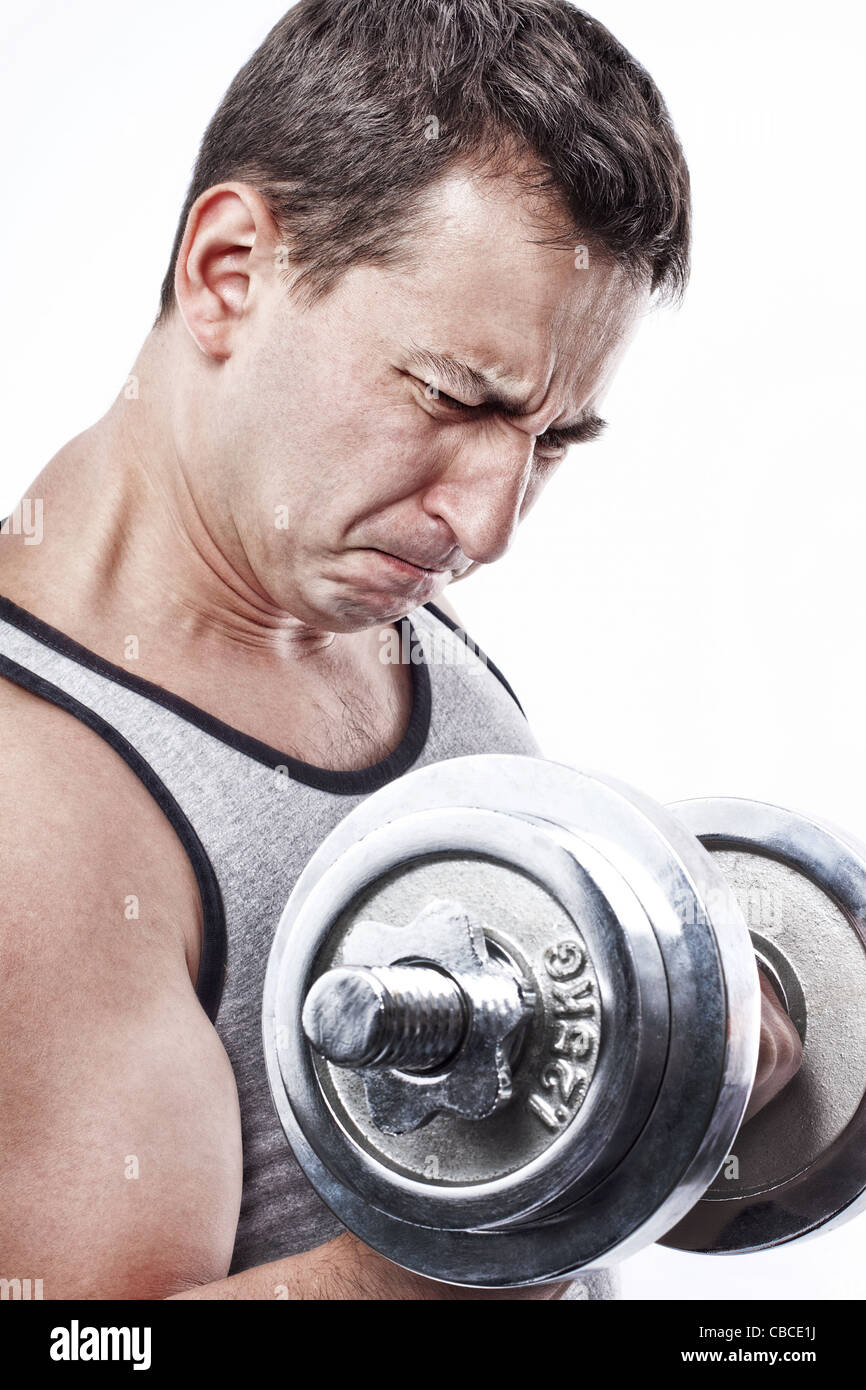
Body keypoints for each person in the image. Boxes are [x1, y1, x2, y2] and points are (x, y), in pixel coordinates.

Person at [0, 0, 801, 1300]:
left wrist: (684, 1070)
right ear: (229, 273)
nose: (489, 522)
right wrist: (510, 1213)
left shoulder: (363, 585)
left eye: (550, 441)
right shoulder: (35, 805)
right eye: (454, 396)